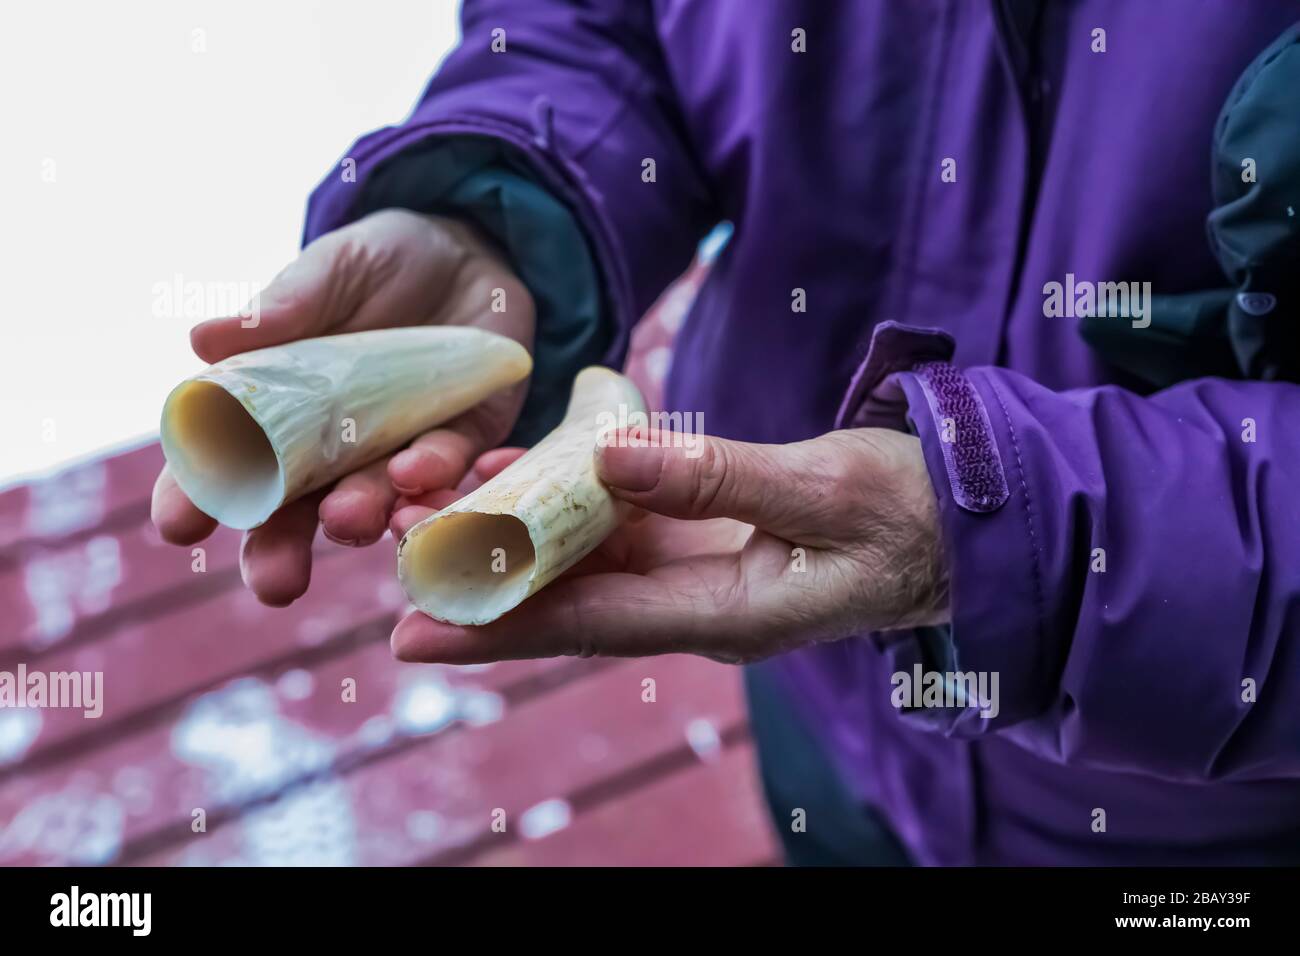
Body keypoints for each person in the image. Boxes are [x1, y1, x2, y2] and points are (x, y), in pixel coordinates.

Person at [152, 2, 1300, 865]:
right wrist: (507, 207)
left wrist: (1011, 534)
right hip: (824, 705)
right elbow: (600, 22)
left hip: (1196, 811)